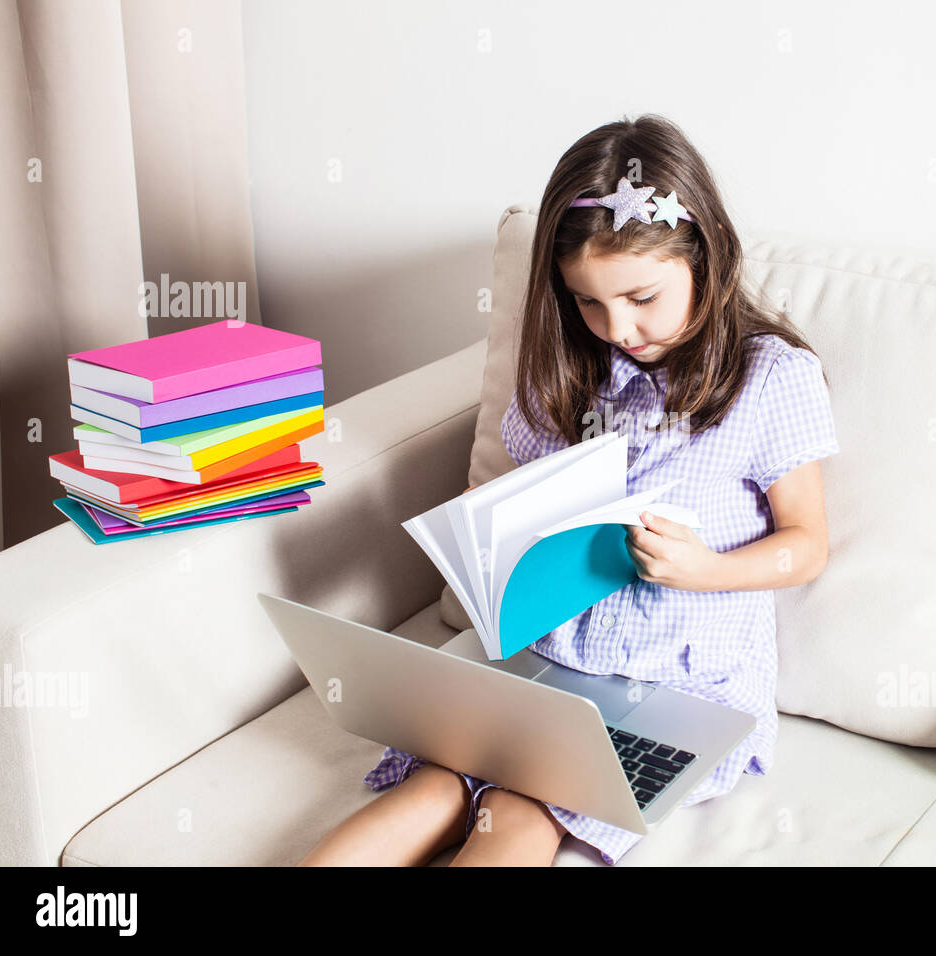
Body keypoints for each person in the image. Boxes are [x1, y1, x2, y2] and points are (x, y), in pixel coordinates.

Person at [301, 113, 839, 867]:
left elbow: (806, 545)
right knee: (431, 790)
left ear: (705, 258)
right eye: (589, 302)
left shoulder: (769, 380)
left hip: (680, 687)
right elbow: (524, 518)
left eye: (642, 298)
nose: (617, 326)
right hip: (546, 663)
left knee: (523, 809)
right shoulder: (564, 373)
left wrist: (705, 569)